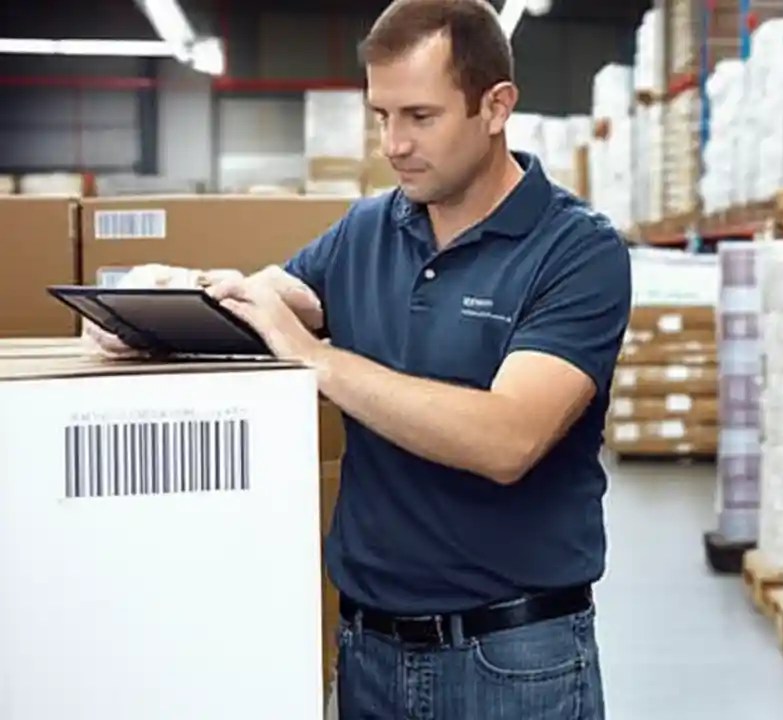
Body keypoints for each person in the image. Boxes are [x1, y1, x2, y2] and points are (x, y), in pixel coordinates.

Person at [88, 1, 631, 717]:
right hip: (370, 650)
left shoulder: (576, 251)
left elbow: (508, 438)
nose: (394, 144)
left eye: (420, 116)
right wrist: (158, 304)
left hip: (512, 660)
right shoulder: (368, 228)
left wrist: (318, 361)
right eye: (381, 115)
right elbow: (267, 302)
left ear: (496, 107)